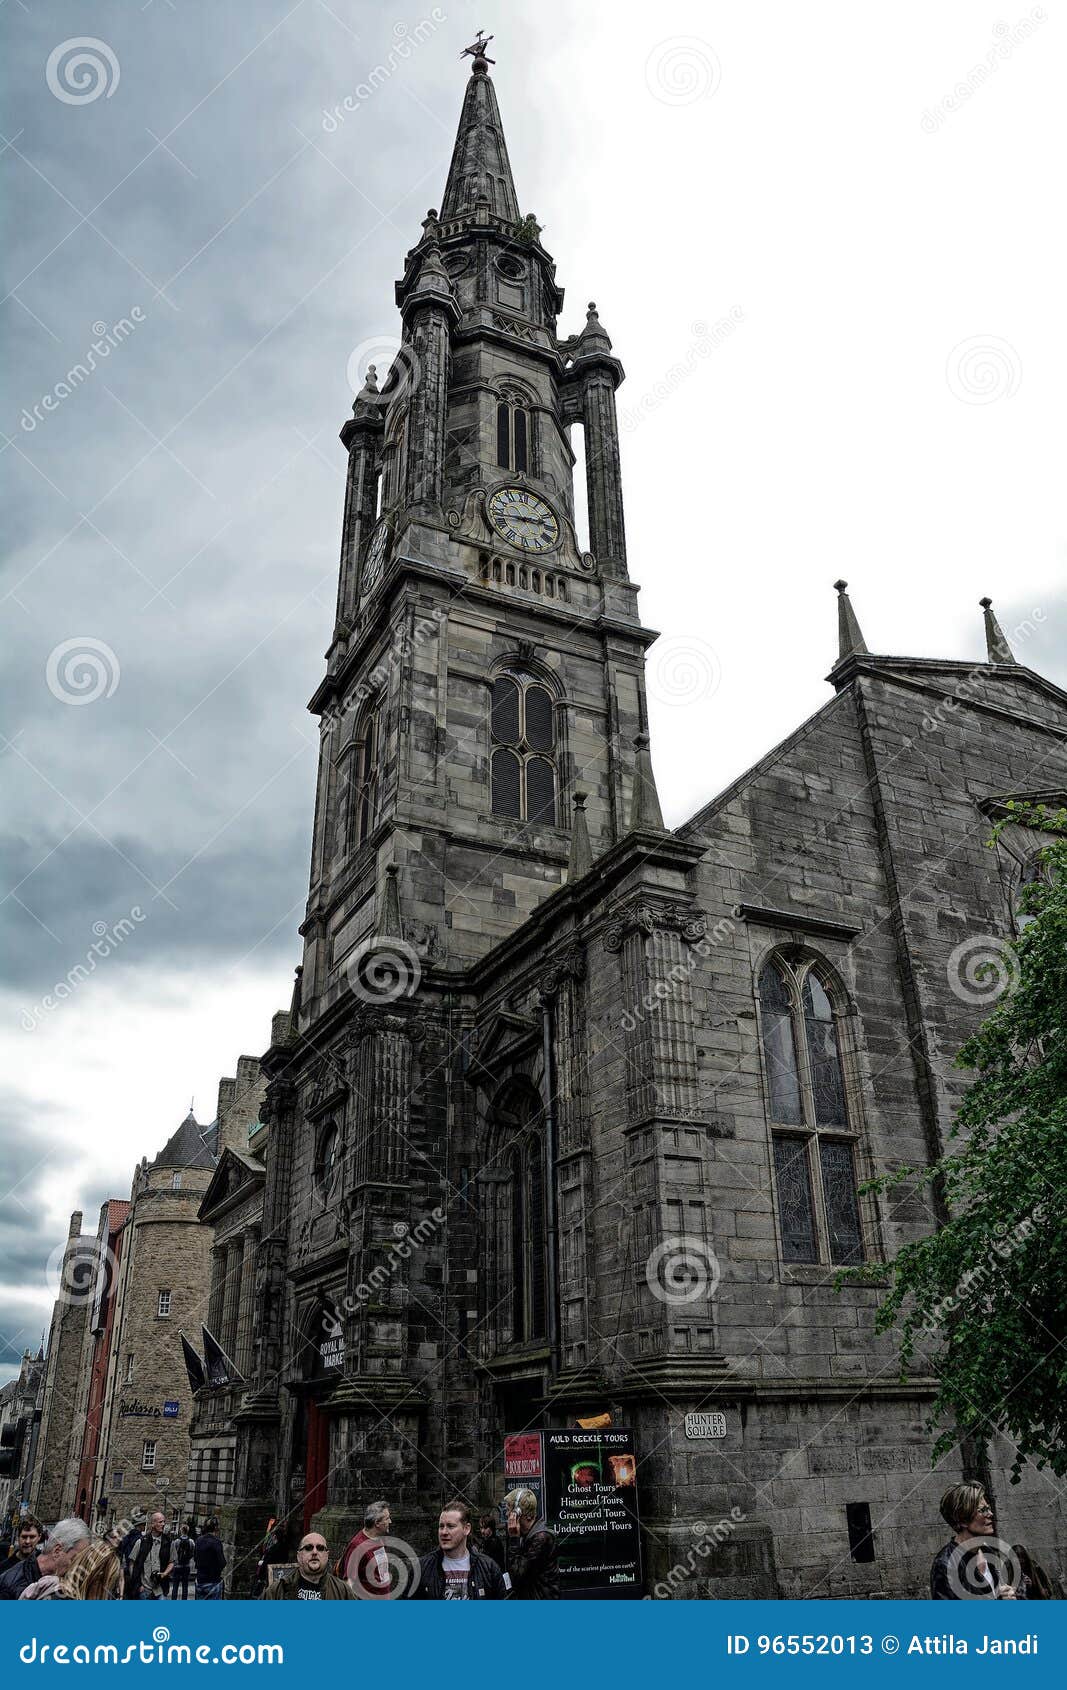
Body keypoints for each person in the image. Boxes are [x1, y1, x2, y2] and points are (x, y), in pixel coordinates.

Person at [930, 1483, 1016, 1599]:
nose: (990, 1514)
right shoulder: (946, 1565)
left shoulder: (987, 1551)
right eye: (983, 1510)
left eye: (989, 1508)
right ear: (963, 1519)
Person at [412, 1501, 507, 1600]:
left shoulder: (489, 1569)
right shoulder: (422, 1568)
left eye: (450, 1526)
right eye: (441, 1526)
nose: (444, 1532)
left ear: (466, 1529)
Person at [0, 1519, 90, 1600]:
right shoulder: (10, 1583)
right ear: (57, 1551)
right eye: (74, 1559)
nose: (79, 1567)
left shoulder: (65, 1583)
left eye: (32, 1537)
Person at [503, 1486, 560, 1598]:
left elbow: (516, 1576)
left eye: (509, 1509)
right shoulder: (528, 1535)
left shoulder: (541, 1539)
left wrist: (514, 1539)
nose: (506, 1514)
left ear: (517, 1513)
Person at [261, 1532, 352, 1600]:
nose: (315, 1552)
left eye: (320, 1548)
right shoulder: (277, 1591)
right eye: (308, 1548)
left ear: (327, 1555)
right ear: (299, 1556)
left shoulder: (342, 1591)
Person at [339, 1500, 392, 1597]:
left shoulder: (379, 1538)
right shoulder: (357, 1546)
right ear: (377, 1523)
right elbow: (349, 1582)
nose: (390, 1521)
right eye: (387, 1518)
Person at [129, 1511, 174, 1601]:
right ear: (153, 1524)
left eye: (164, 1522)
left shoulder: (169, 1542)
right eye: (160, 1522)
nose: (163, 1524)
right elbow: (131, 1563)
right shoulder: (141, 1542)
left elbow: (171, 1562)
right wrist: (137, 1585)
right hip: (144, 1589)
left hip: (161, 1589)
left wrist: (165, 1573)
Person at [194, 1518, 226, 1600]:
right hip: (212, 1581)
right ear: (216, 1528)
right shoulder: (216, 1542)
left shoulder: (199, 1540)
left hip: (200, 1580)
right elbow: (222, 1562)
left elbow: (195, 1558)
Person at [170, 1521, 195, 1599]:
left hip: (177, 1566)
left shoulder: (176, 1541)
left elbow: (173, 1554)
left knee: (175, 1586)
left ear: (181, 1530)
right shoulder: (191, 1542)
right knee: (185, 1586)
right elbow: (192, 1553)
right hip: (186, 1566)